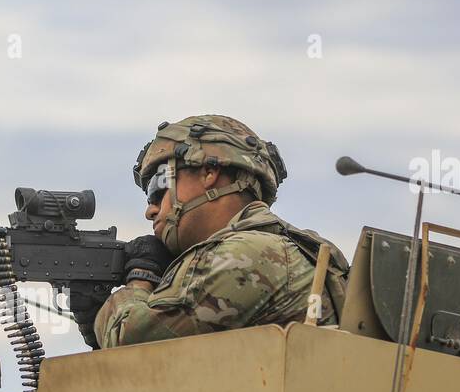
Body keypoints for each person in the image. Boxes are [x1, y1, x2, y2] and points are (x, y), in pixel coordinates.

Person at [69, 115, 349, 350]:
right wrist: (97, 319)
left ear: (209, 172)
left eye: (158, 187)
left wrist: (141, 278)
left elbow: (135, 342)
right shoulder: (282, 248)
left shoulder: (248, 254)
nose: (151, 210)